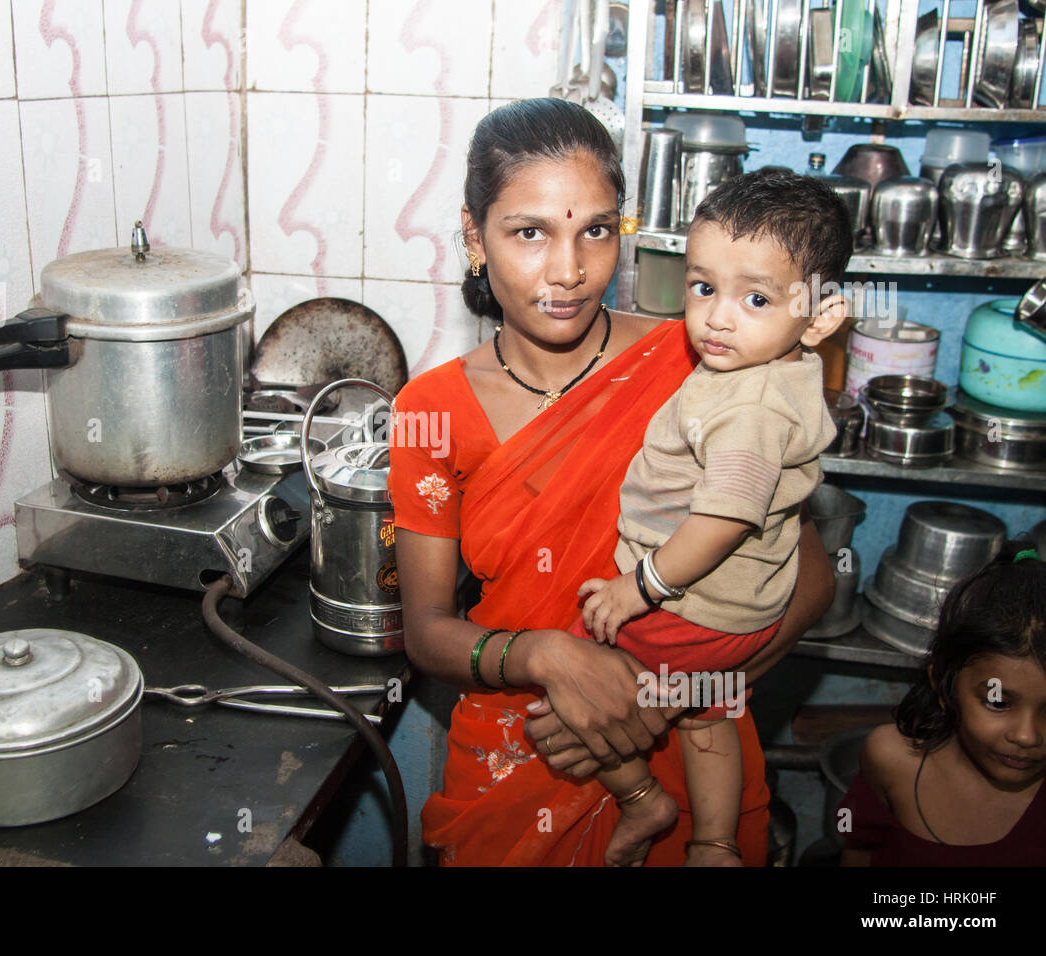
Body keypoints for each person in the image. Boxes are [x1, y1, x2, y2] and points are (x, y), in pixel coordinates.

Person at [388, 97, 835, 867]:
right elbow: (427, 631)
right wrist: (548, 659)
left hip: (693, 756)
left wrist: (658, 696)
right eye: (530, 232)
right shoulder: (428, 411)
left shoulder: (699, 366)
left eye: (595, 230)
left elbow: (810, 576)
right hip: (522, 749)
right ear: (474, 235)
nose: (568, 271)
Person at [573, 170, 850, 866]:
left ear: (819, 317)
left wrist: (639, 588)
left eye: (755, 298)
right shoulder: (775, 369)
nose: (718, 317)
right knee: (711, 717)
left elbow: (725, 519)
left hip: (684, 608)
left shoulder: (749, 408)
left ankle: (641, 802)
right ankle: (716, 843)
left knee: (576, 692)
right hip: (738, 613)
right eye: (703, 288)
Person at [838, 544, 1046, 866]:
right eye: (999, 702)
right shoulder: (890, 759)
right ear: (943, 683)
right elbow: (858, 848)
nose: (1027, 736)